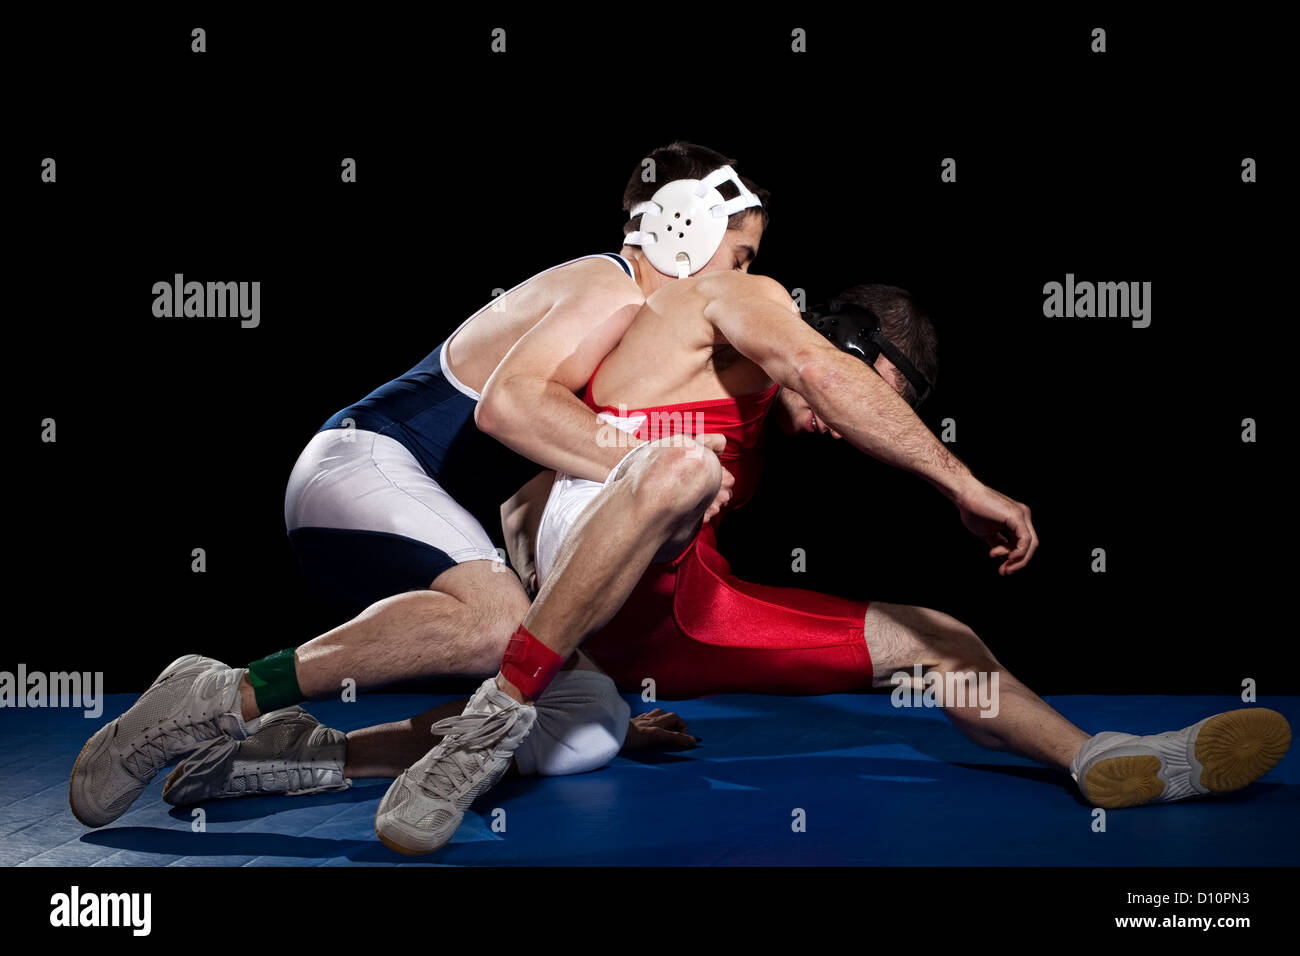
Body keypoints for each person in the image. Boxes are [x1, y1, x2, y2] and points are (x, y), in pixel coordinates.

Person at [389, 275, 1291, 854]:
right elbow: (821, 378)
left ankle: (1101, 760)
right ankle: (470, 716)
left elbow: (525, 506)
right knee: (679, 485)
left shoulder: (737, 414)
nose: (833, 426)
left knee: (939, 642)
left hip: (648, 626)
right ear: (842, 347)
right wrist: (961, 484)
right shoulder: (738, 304)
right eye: (864, 391)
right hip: (625, 591)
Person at [68, 142, 765, 828]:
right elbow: (509, 407)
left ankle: (298, 756)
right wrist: (652, 458)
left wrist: (588, 681)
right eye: (742, 260)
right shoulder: (610, 286)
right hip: (364, 464)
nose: (742, 282)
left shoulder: (627, 344)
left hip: (414, 511)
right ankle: (220, 694)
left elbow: (523, 519)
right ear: (686, 227)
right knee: (497, 629)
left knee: (585, 722)